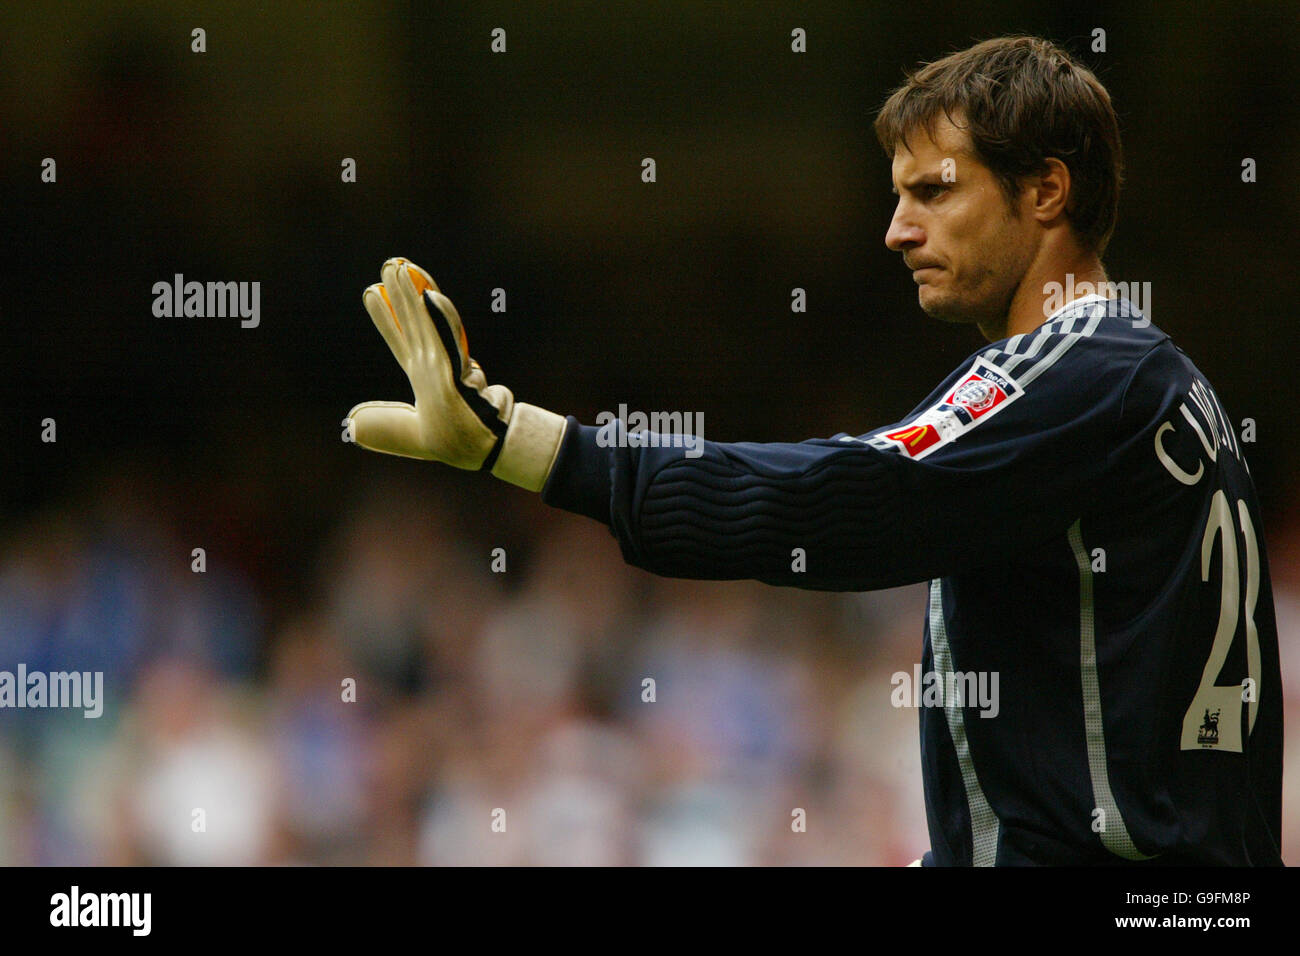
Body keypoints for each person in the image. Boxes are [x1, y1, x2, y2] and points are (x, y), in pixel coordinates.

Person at [344, 36, 1283, 866]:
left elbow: (849, 497)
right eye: (896, 196)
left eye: (934, 190)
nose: (897, 229)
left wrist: (540, 449)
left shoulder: (1080, 371)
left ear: (1046, 190)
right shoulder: (1152, 380)